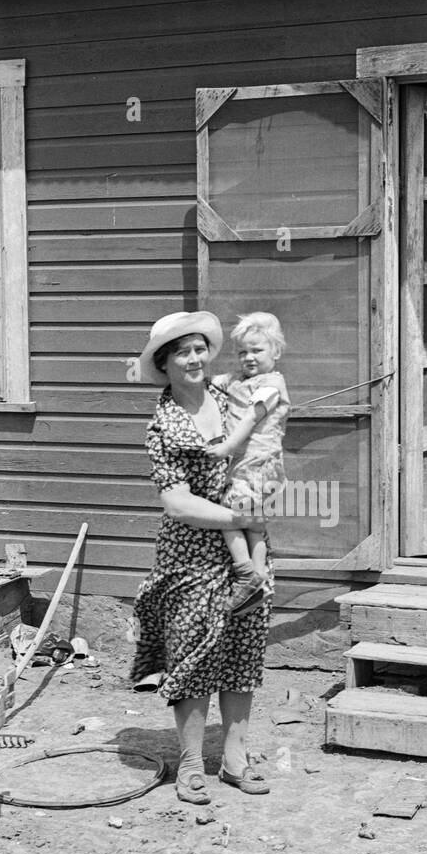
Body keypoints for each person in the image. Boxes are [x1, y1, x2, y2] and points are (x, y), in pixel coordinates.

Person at [130, 310, 272, 803]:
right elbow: (177, 502)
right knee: (192, 656)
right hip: (190, 555)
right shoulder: (163, 424)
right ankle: (191, 762)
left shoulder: (229, 394)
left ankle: (235, 760)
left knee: (241, 650)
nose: (193, 359)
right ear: (164, 364)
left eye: (199, 349)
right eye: (181, 352)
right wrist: (242, 520)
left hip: (248, 552)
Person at [205, 312, 290, 614]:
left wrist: (227, 445)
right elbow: (204, 380)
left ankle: (245, 573)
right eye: (243, 352)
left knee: (228, 515)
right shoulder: (237, 380)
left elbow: (253, 417)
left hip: (259, 465)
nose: (249, 357)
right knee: (254, 527)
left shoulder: (272, 385)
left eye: (257, 350)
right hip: (246, 466)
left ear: (276, 351)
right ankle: (260, 581)